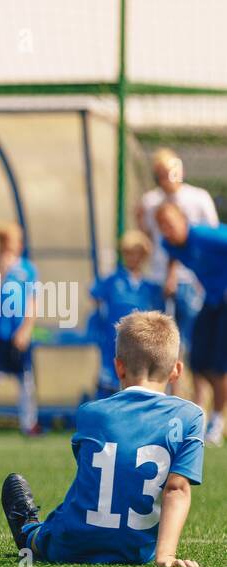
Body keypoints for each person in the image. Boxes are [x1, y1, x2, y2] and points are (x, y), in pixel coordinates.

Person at [2, 311, 202, 567]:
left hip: (70, 544)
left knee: (44, 535)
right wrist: (166, 556)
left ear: (118, 366)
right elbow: (176, 489)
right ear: (177, 371)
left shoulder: (91, 412)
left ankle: (29, 530)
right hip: (137, 552)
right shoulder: (191, 416)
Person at [138, 147, 219, 399]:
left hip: (196, 285)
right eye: (161, 173)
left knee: (198, 349)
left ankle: (200, 406)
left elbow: (213, 240)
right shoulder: (151, 203)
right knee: (163, 346)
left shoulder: (198, 201)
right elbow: (155, 241)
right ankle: (169, 400)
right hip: (162, 281)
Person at [154, 202, 227, 445]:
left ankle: (218, 421)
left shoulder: (207, 236)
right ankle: (200, 416)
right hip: (211, 299)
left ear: (184, 219)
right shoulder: (169, 244)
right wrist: (170, 276)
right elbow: (173, 257)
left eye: (171, 224)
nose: (167, 230)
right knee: (197, 361)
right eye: (162, 226)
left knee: (218, 366)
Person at [0, 222, 39, 435]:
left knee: (26, 381)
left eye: (11, 242)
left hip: (18, 332)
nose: (7, 247)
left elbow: (32, 301)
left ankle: (29, 424)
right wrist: (1, 269)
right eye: (3, 242)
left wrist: (26, 329)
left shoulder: (28, 269)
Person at [89, 231, 163, 399]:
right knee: (109, 381)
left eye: (137, 253)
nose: (133, 258)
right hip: (113, 339)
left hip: (140, 342)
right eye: (129, 253)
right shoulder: (113, 280)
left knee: (137, 382)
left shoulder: (150, 286)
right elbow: (95, 295)